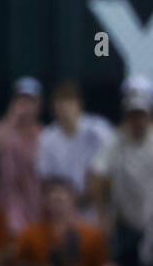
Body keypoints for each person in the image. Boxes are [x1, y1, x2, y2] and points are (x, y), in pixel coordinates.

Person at [88, 88, 153, 266]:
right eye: (132, 116)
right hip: (124, 229)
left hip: (151, 229)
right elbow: (95, 176)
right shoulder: (116, 142)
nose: (137, 121)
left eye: (141, 116)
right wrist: (103, 216)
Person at [37, 80, 112, 213]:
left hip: (94, 205)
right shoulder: (47, 138)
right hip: (62, 207)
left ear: (79, 104)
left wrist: (90, 193)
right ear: (54, 108)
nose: (65, 109)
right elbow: (45, 177)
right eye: (60, 104)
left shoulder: (99, 130)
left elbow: (109, 170)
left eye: (70, 102)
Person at [0, 77, 44, 235]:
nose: (25, 105)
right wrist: (12, 118)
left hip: (35, 211)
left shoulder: (45, 135)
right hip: (4, 210)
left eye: (30, 101)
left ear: (39, 105)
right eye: (20, 99)